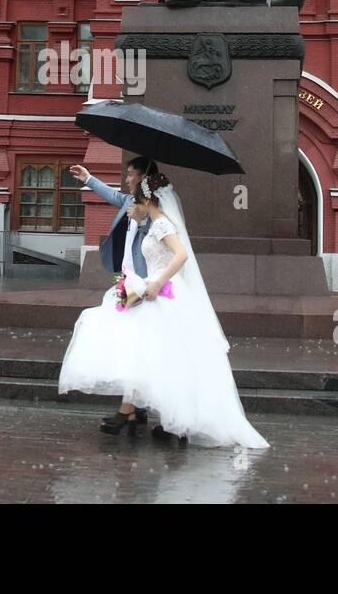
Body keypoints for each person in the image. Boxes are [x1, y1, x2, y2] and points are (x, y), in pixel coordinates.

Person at [58, 170, 269, 450]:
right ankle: (158, 418)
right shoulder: (155, 221)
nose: (135, 202)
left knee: (162, 357)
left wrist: (157, 281)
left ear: (148, 198)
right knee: (151, 356)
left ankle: (156, 417)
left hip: (164, 296)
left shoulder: (161, 225)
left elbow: (181, 255)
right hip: (154, 293)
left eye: (139, 199)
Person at [69, 156, 156, 284]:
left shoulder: (157, 209)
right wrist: (88, 178)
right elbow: (112, 194)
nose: (126, 180)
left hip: (145, 276)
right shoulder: (129, 201)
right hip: (127, 273)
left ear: (143, 177)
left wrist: (141, 222)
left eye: (130, 175)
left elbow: (160, 241)